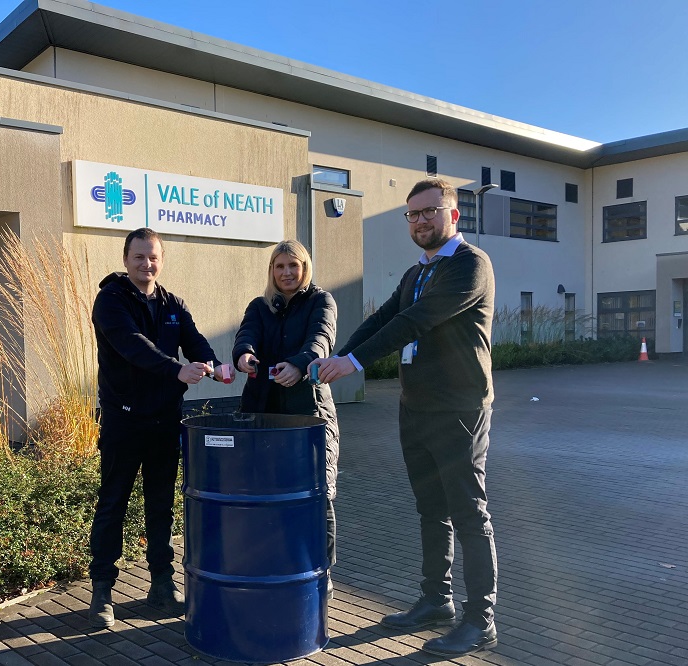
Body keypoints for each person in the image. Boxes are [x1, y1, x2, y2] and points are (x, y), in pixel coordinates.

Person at [311, 178, 498, 658]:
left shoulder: (470, 265)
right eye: (412, 214)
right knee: (431, 509)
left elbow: (415, 322)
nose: (420, 221)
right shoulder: (417, 272)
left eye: (429, 211)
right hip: (415, 407)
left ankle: (481, 620)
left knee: (468, 513)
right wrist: (338, 355)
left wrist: (353, 364)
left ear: (453, 214)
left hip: (458, 409)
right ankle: (436, 600)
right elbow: (384, 319)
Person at [87, 227, 233, 629]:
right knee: (113, 503)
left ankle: (162, 584)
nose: (146, 264)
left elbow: (195, 341)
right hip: (123, 420)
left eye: (153, 257)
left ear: (161, 260)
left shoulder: (172, 303)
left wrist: (214, 366)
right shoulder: (110, 300)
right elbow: (133, 346)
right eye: (139, 257)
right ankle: (102, 590)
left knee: (161, 506)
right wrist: (177, 370)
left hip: (164, 421)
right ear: (125, 259)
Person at [232, 239, 339, 594]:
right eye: (280, 266)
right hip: (261, 416)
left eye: (294, 265)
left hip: (308, 415)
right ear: (272, 271)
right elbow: (246, 335)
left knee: (316, 495)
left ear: (304, 267)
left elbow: (320, 339)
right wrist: (244, 355)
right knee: (265, 493)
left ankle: (321, 573)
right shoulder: (259, 306)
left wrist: (299, 364)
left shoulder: (321, 301)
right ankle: (274, 566)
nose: (287, 273)